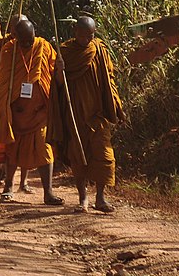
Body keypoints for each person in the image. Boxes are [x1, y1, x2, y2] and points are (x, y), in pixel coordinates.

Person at [48, 16, 124, 214]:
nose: (86, 40)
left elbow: (109, 78)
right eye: (83, 36)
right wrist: (59, 71)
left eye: (90, 35)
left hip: (97, 114)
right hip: (74, 115)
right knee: (77, 157)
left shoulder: (99, 50)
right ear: (75, 33)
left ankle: (100, 198)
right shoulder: (65, 52)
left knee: (104, 155)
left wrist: (114, 103)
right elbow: (58, 85)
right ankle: (83, 199)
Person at [0, 19, 63, 205]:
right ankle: (8, 187)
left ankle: (48, 192)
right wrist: (6, 107)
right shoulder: (9, 51)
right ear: (16, 37)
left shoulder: (44, 47)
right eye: (23, 41)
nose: (28, 44)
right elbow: (3, 80)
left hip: (40, 113)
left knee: (45, 150)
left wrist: (60, 70)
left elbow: (54, 73)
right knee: (13, 151)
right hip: (17, 114)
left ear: (35, 34)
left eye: (30, 39)